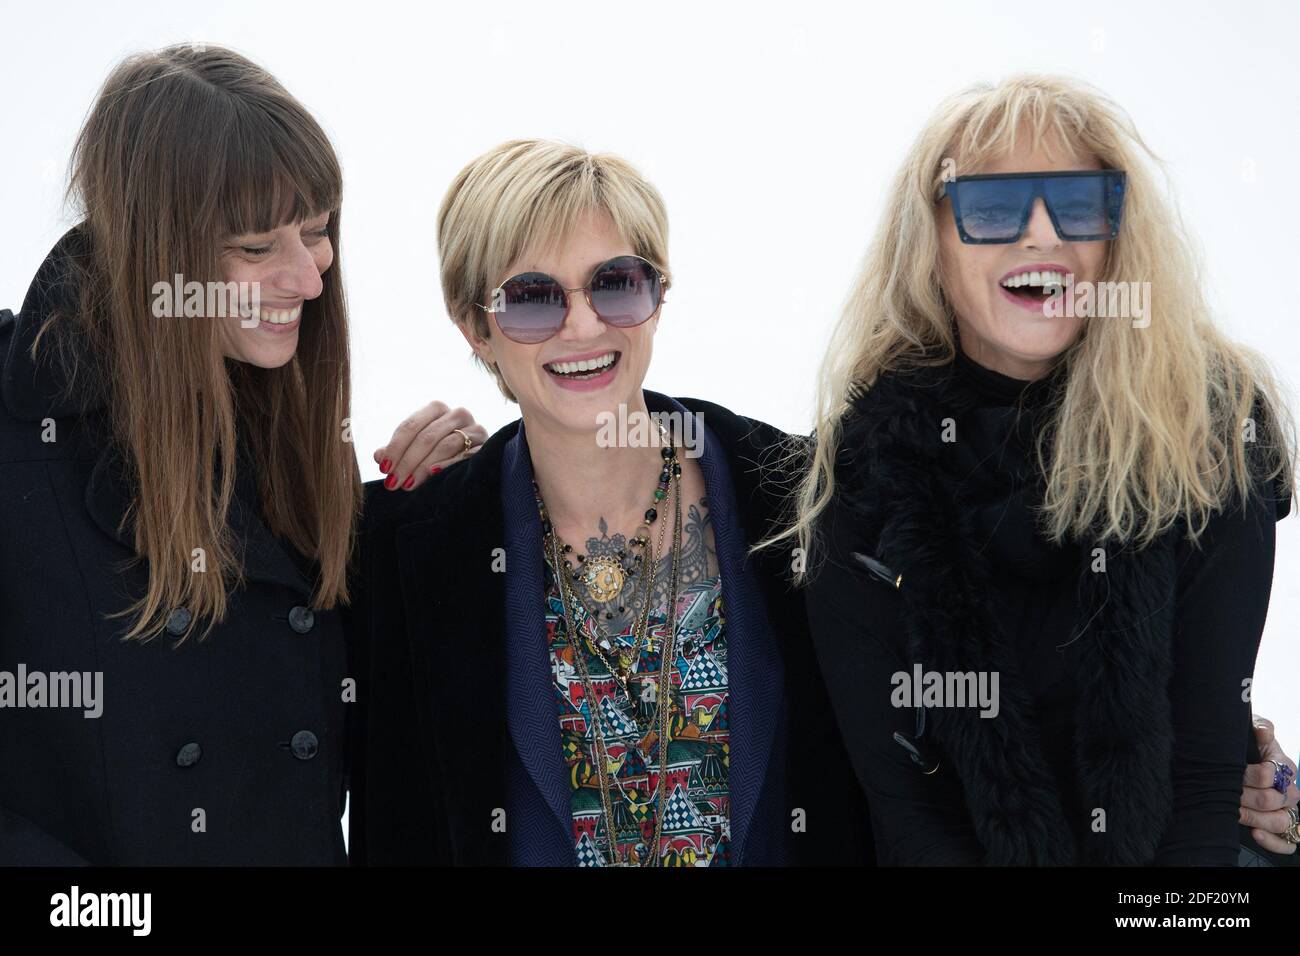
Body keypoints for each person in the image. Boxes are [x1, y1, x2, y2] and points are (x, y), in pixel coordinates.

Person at [782, 75, 1299, 864]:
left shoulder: (1212, 427)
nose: (1040, 236)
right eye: (991, 207)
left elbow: (1202, 782)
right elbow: (908, 816)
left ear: (1116, 237)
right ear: (932, 243)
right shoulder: (859, 468)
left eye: (1078, 204)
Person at [0, 44, 482, 865]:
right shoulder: (21, 448)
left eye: (317, 231)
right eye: (256, 248)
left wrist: (423, 510)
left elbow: (376, 724)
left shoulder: (282, 431)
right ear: (157, 250)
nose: (309, 279)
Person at [350, 140, 871, 866]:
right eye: (533, 298)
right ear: (473, 326)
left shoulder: (805, 498)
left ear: (659, 295)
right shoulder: (409, 547)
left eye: (616, 283)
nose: (585, 324)